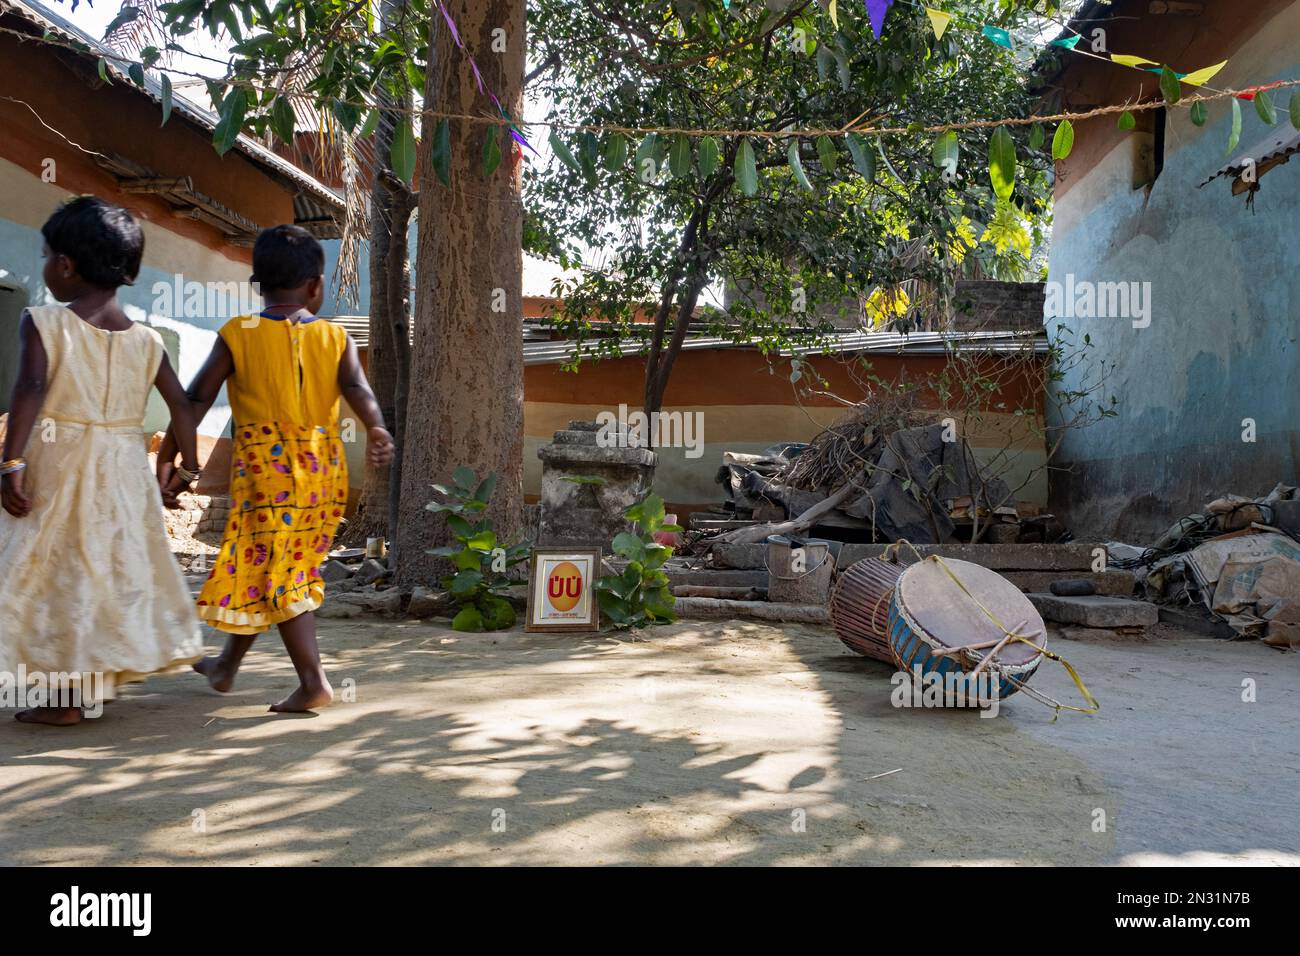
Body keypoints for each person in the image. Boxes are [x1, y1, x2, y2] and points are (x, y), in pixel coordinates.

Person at [158, 224, 394, 713]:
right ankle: (226, 665)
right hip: (322, 472)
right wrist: (376, 428)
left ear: (258, 285)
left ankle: (313, 683)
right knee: (272, 564)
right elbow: (357, 390)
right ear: (315, 286)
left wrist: (174, 456)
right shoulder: (335, 336)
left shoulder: (238, 335)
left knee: (279, 571)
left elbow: (195, 399)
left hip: (265, 473)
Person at [0, 196, 203, 725]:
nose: (45, 266)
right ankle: (92, 678)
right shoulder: (149, 340)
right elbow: (182, 405)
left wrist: (9, 463)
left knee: (48, 568)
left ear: (64, 265)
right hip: (122, 472)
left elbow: (30, 388)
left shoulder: (44, 323)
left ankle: (65, 697)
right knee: (105, 568)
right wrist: (187, 470)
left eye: (46, 256)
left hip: (59, 466)